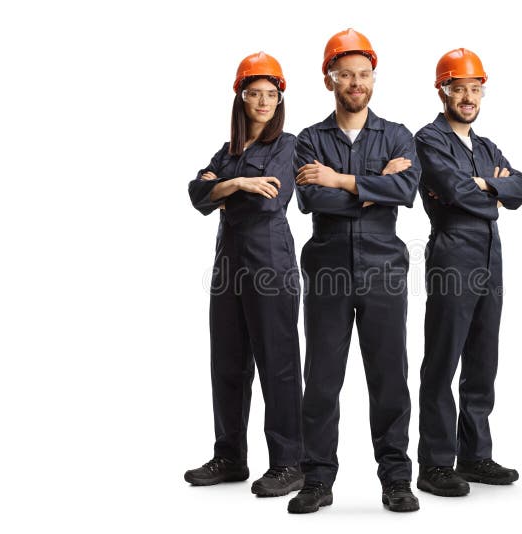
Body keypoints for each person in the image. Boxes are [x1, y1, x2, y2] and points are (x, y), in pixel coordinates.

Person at [286, 29, 420, 514]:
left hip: (384, 270)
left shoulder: (398, 135)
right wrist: (374, 185)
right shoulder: (309, 139)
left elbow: (406, 190)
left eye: (363, 74)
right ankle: (317, 479)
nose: (356, 83)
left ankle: (397, 479)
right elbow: (310, 199)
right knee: (322, 380)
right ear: (330, 80)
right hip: (328, 273)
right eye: (346, 75)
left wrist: (339, 179)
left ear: (373, 79)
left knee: (389, 379)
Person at [185, 52, 304, 498]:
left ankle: (289, 463)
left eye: (271, 94)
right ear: (241, 98)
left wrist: (221, 187)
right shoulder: (229, 151)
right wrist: (237, 183)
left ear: (279, 100)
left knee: (278, 364)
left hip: (270, 263)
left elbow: (270, 198)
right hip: (228, 266)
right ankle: (230, 457)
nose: (264, 102)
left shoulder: (287, 146)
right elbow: (196, 194)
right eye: (255, 94)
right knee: (227, 362)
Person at [414, 48, 522, 497]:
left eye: (475, 89)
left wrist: (489, 185)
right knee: (443, 359)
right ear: (442, 91)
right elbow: (454, 190)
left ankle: (475, 455)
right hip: (452, 253)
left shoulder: (485, 147)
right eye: (459, 88)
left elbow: (521, 187)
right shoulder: (429, 140)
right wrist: (491, 190)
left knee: (483, 358)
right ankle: (435, 463)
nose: (467, 97)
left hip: (489, 256)